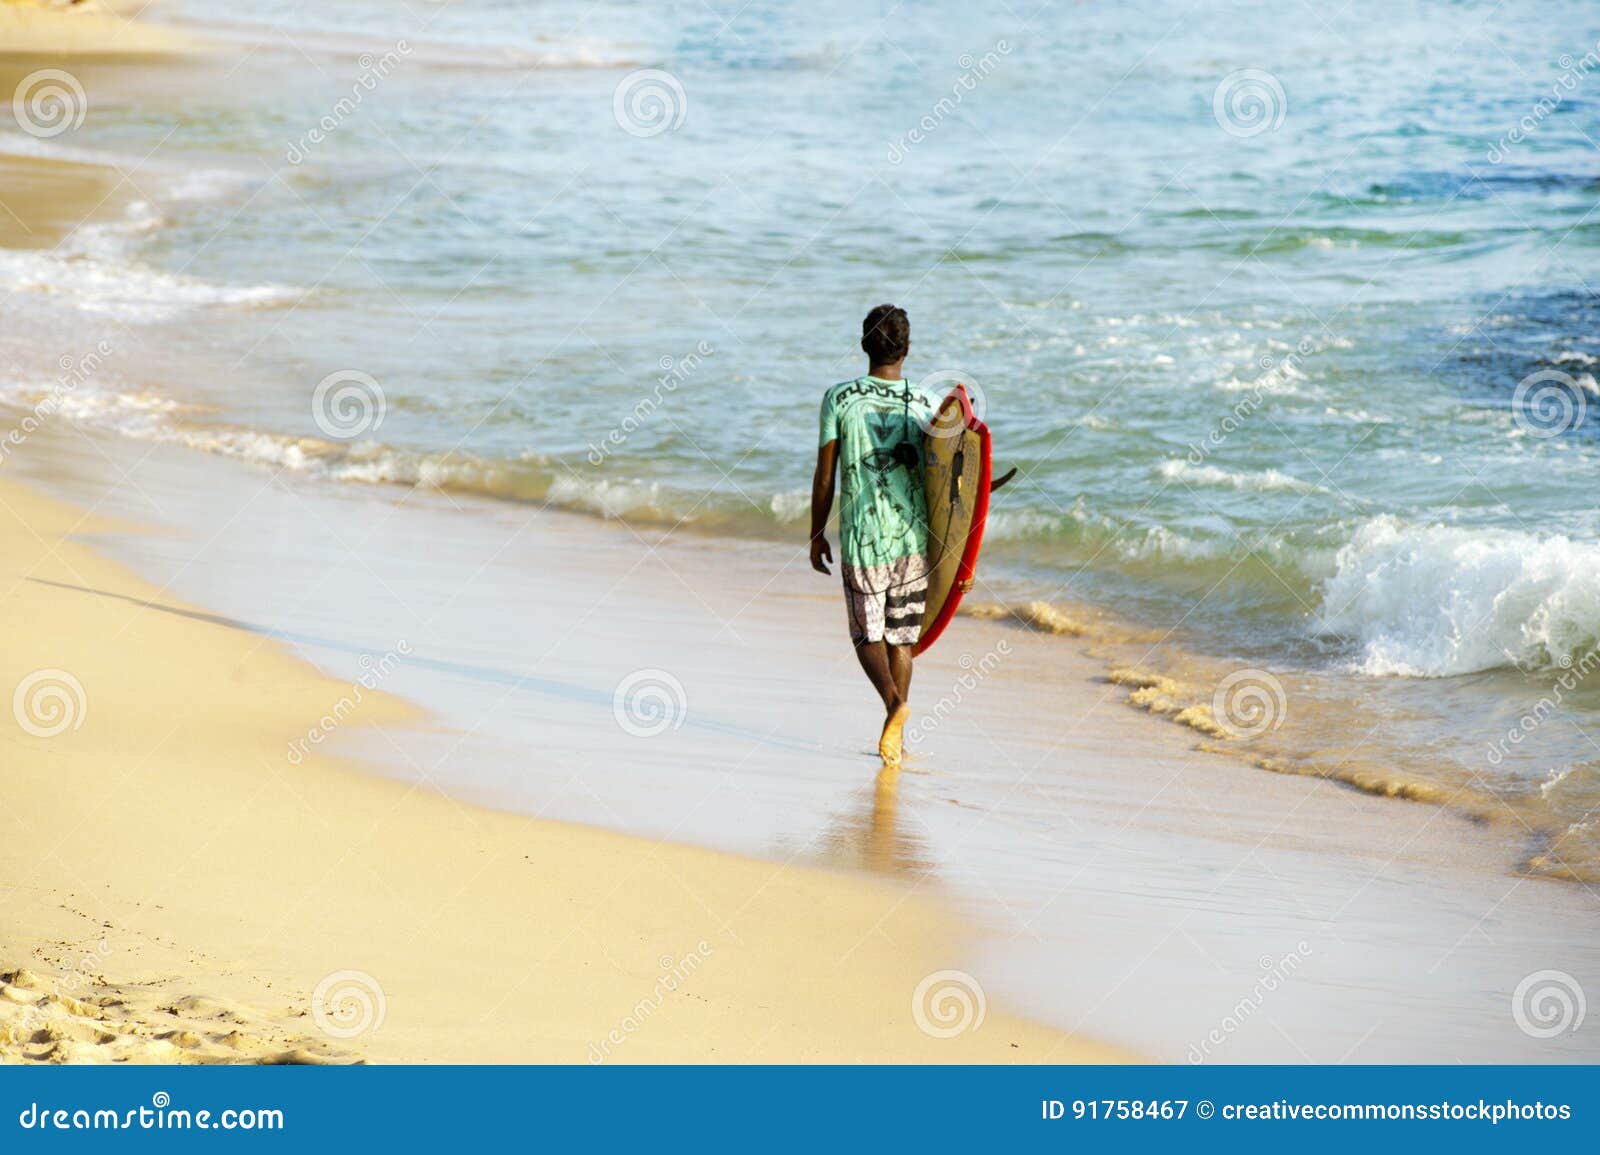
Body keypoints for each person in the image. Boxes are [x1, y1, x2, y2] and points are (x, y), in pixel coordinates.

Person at [810, 304, 938, 767]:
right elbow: (947, 487)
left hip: (865, 539)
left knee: (867, 635)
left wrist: (816, 533)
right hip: (913, 538)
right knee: (902, 638)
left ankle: (893, 705)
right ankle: (896, 743)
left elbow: (825, 475)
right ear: (906, 349)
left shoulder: (839, 398)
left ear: (865, 345)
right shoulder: (927, 404)